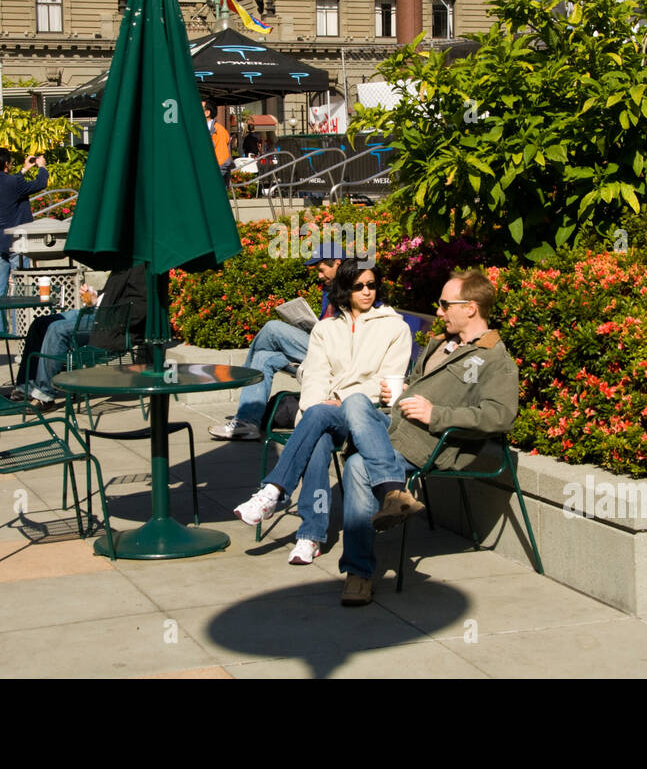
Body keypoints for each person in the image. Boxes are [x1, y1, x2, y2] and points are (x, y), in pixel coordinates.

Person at [332, 270, 519, 606]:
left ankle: (358, 574)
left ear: (471, 308)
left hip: (431, 443)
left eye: (446, 305)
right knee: (355, 402)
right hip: (395, 427)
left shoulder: (494, 359)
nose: (440, 311)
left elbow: (499, 416)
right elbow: (418, 384)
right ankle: (394, 491)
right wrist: (404, 390)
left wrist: (438, 415)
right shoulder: (438, 344)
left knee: (359, 464)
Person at [232, 259, 411, 567]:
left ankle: (274, 493)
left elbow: (385, 382)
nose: (367, 292)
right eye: (358, 287)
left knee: (317, 420)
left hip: (367, 414)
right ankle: (310, 536)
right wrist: (317, 402)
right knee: (317, 435)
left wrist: (341, 401)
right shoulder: (326, 329)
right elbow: (315, 374)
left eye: (372, 285)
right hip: (326, 410)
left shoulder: (395, 327)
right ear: (345, 289)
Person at [207, 241, 347, 441]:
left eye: (322, 270)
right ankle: (247, 423)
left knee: (273, 328)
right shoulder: (328, 288)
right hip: (316, 351)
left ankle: (241, 375)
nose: (319, 275)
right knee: (264, 357)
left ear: (338, 263)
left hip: (334, 355)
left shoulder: (357, 288)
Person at [10, 265, 147, 410]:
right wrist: (95, 296)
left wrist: (107, 312)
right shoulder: (124, 262)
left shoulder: (141, 268)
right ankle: (26, 388)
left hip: (110, 323)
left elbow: (139, 309)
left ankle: (45, 396)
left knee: (57, 330)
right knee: (40, 324)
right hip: (96, 311)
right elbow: (115, 294)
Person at [0, 149, 48, 334]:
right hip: (15, 240)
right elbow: (40, 184)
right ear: (6, 164)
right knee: (20, 286)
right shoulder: (14, 181)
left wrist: (24, 170)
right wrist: (41, 167)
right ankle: (20, 329)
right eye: (10, 162)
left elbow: (10, 185)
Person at [203, 100, 233, 185]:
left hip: (212, 178)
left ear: (207, 113)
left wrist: (211, 176)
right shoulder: (202, 130)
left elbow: (222, 160)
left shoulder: (219, 131)